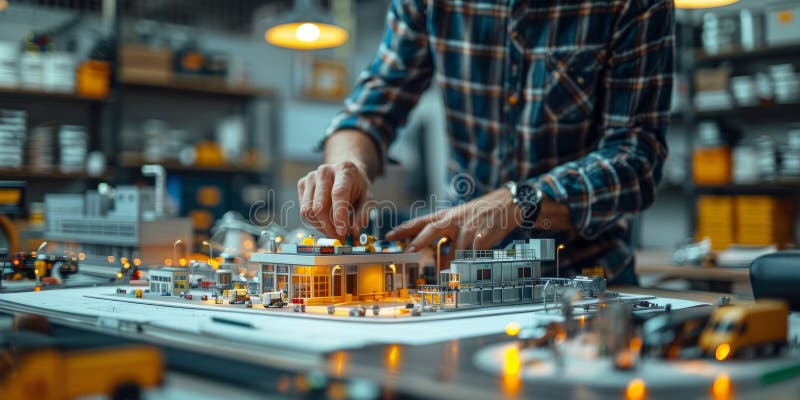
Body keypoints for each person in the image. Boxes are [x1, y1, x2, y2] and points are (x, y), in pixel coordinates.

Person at [297, 0, 674, 285]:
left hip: (587, 278)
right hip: (460, 275)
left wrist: (522, 200)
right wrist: (347, 166)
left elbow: (637, 158)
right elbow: (369, 112)